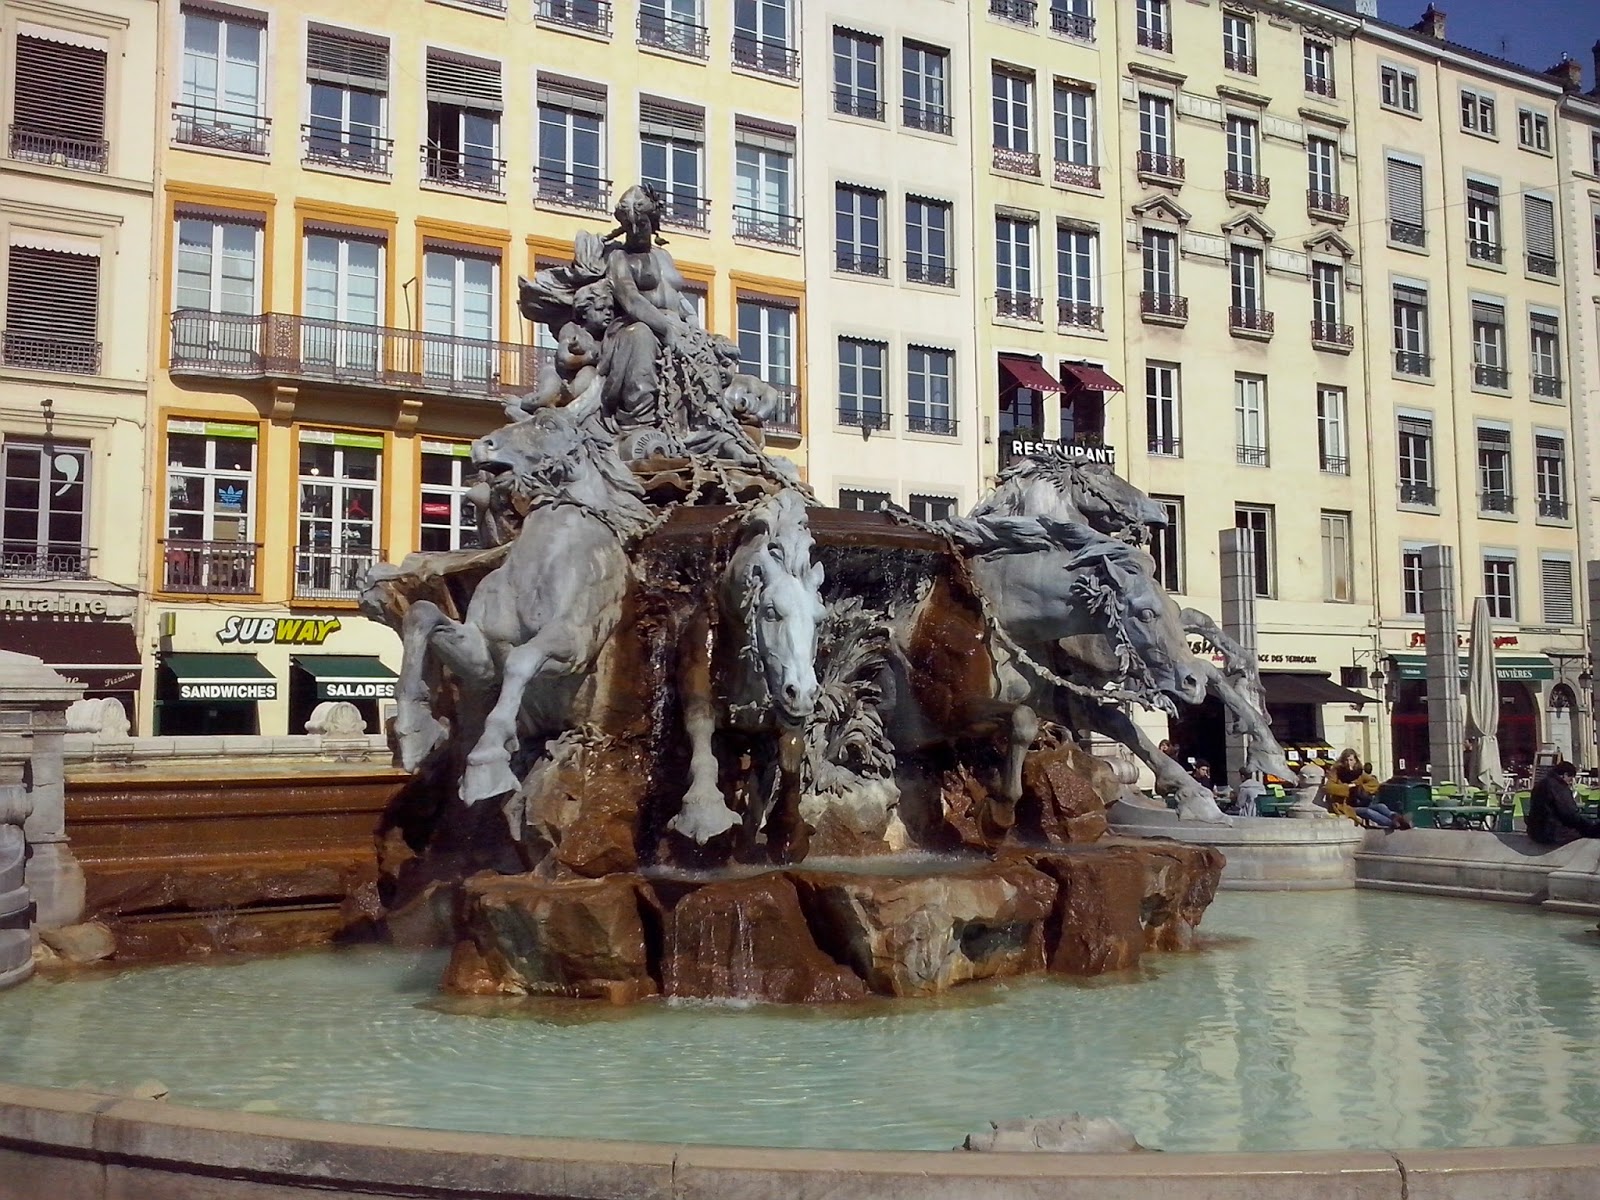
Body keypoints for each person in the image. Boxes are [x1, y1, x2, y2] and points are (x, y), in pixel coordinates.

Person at [1326, 748, 1406, 830]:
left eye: (1351, 760)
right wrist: (1347, 788)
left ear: (1355, 761)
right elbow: (1329, 787)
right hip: (1347, 805)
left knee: (1380, 806)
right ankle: (1392, 823)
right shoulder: (1337, 772)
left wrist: (1360, 788)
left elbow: (1374, 782)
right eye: (1346, 760)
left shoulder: (1358, 772)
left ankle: (1395, 817)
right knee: (1367, 812)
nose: (1348, 763)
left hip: (1360, 801)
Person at [1525, 762, 1600, 846]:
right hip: (1553, 833)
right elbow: (1569, 814)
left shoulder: (1540, 784)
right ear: (1565, 775)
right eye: (1570, 779)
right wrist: (1586, 824)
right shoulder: (1559, 787)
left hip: (1534, 832)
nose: (1570, 782)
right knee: (1591, 831)